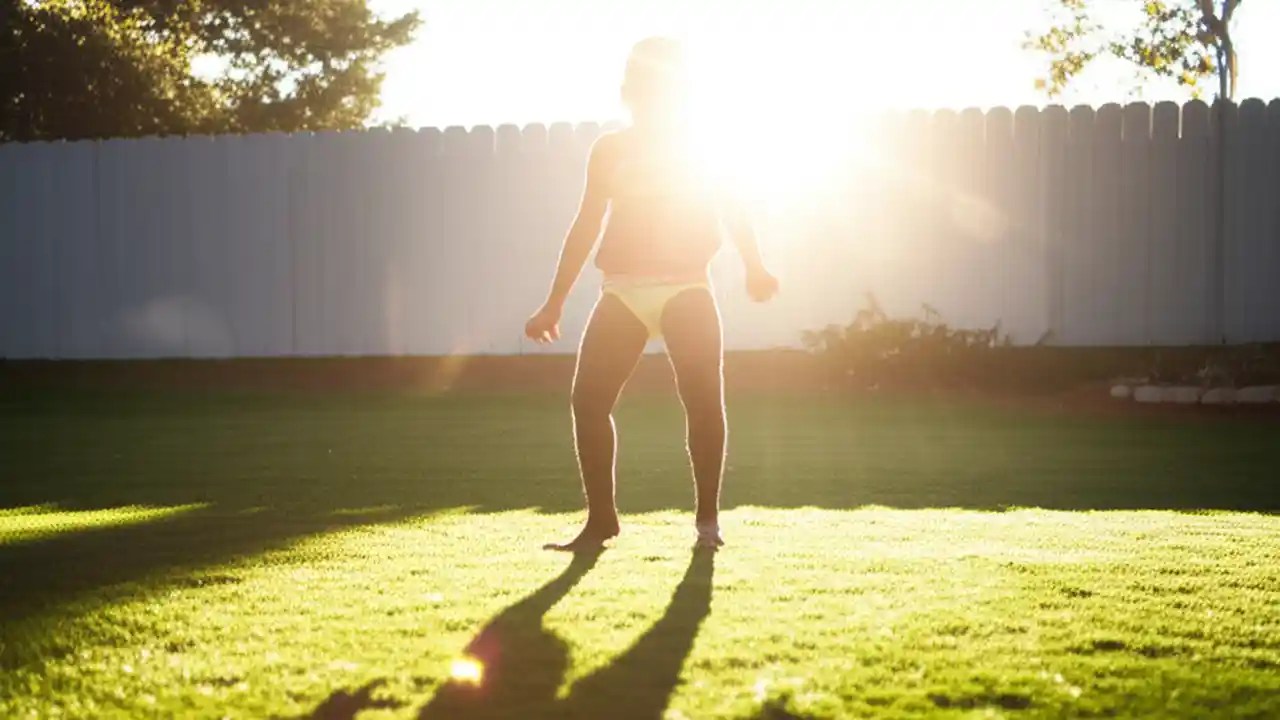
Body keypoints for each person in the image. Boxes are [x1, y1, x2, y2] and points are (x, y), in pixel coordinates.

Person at [525, 37, 778, 551]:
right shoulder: (611, 149)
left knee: (703, 401)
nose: (653, 99)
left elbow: (733, 208)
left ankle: (707, 522)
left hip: (688, 288)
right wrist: (554, 301)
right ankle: (601, 522)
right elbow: (587, 223)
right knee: (588, 402)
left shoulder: (703, 144)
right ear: (628, 94)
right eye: (642, 90)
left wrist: (754, 266)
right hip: (621, 292)